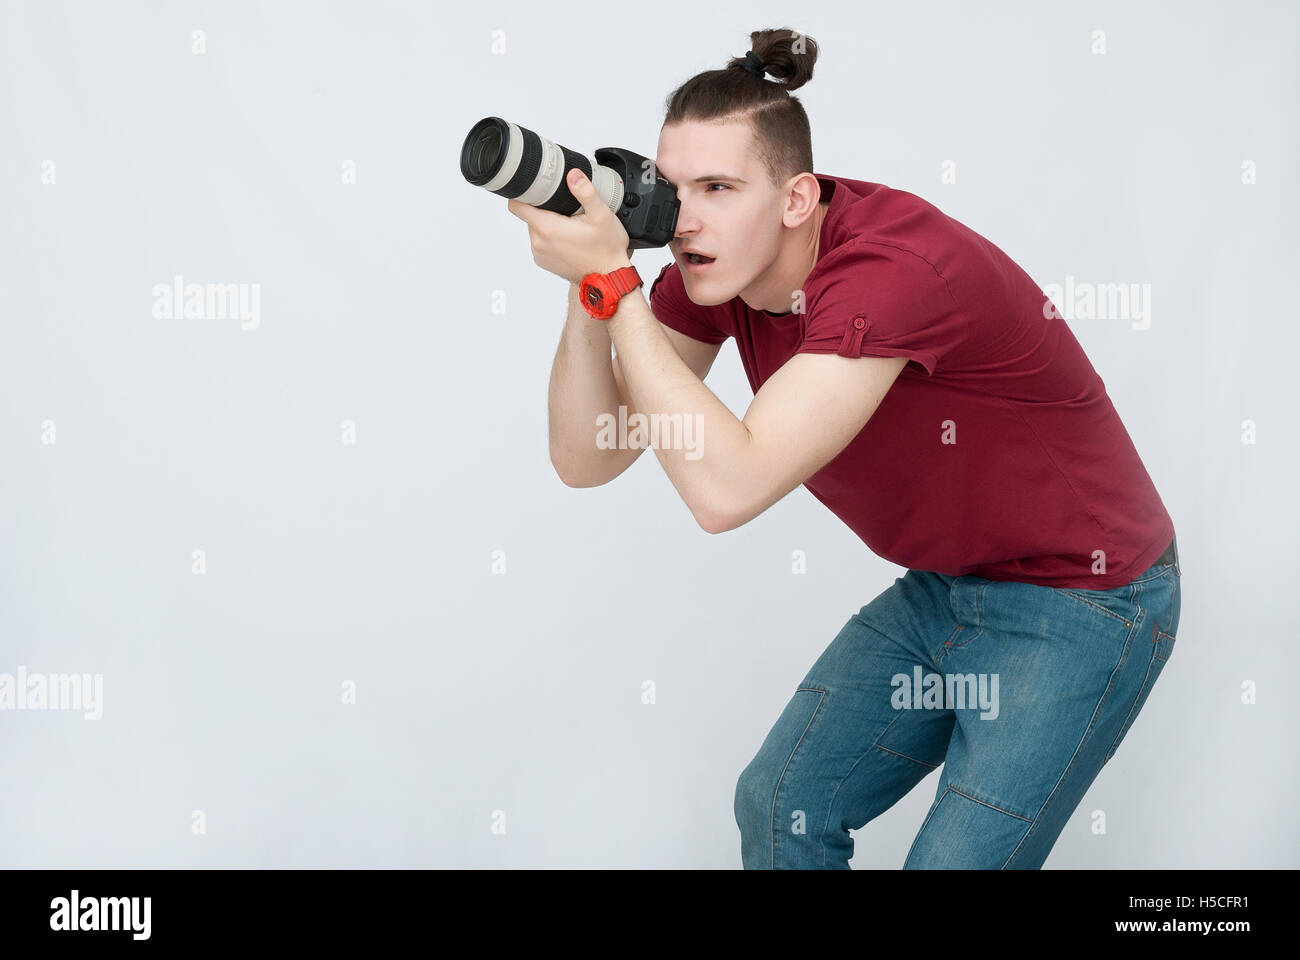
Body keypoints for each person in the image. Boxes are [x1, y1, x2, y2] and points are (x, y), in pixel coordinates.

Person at [516, 28, 1181, 869]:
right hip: (949, 587)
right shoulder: (714, 268)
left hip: (1087, 600)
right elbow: (590, 456)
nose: (685, 220)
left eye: (719, 187)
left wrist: (618, 283)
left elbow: (728, 490)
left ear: (797, 199)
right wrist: (592, 287)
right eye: (672, 188)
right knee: (780, 802)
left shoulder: (889, 272)